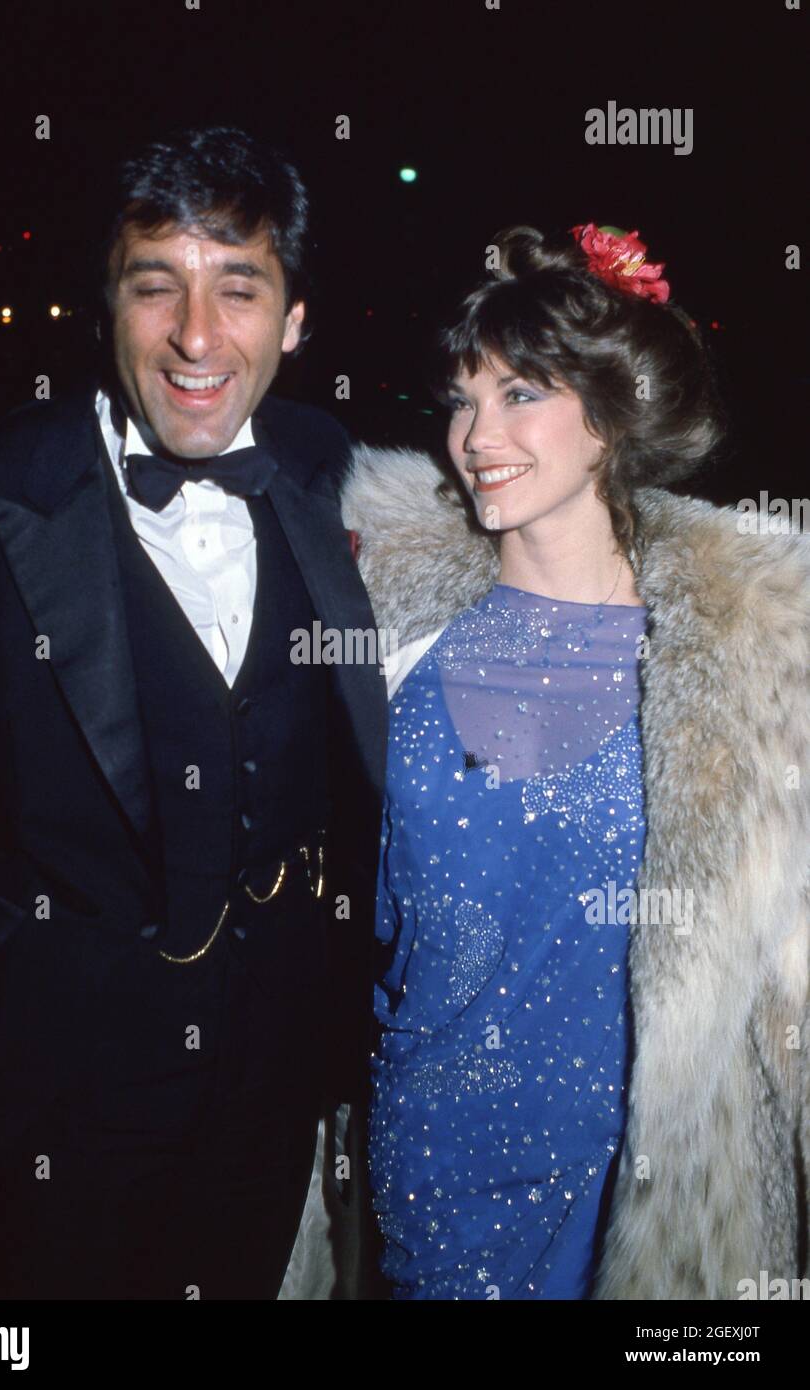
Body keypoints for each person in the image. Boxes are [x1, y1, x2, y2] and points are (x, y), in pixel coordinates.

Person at [0, 125, 388, 1300]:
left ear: (294, 320)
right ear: (103, 307)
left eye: (237, 291)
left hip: (271, 1066)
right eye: (156, 287)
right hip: (49, 1071)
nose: (196, 337)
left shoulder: (330, 467)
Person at [340, 223, 809, 1299]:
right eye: (460, 396)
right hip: (434, 1168)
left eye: (518, 394)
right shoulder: (383, 626)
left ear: (606, 418)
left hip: (640, 1189)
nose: (473, 433)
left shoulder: (735, 656)